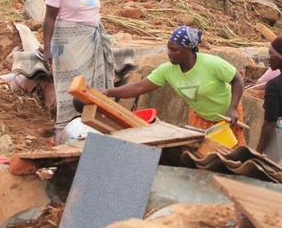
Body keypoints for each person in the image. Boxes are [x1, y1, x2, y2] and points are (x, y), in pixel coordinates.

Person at [104, 26, 246, 144]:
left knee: (231, 152)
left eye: (174, 49)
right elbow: (139, 87)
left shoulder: (211, 64)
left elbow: (237, 79)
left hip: (227, 114)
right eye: (168, 48)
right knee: (202, 152)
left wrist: (232, 108)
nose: (169, 53)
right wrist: (109, 93)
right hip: (200, 116)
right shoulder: (167, 70)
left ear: (188, 50)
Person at [42, 0, 114, 137]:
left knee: (91, 85)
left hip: (91, 39)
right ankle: (65, 130)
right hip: (67, 42)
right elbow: (49, 17)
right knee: (71, 86)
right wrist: (46, 47)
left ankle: (91, 126)